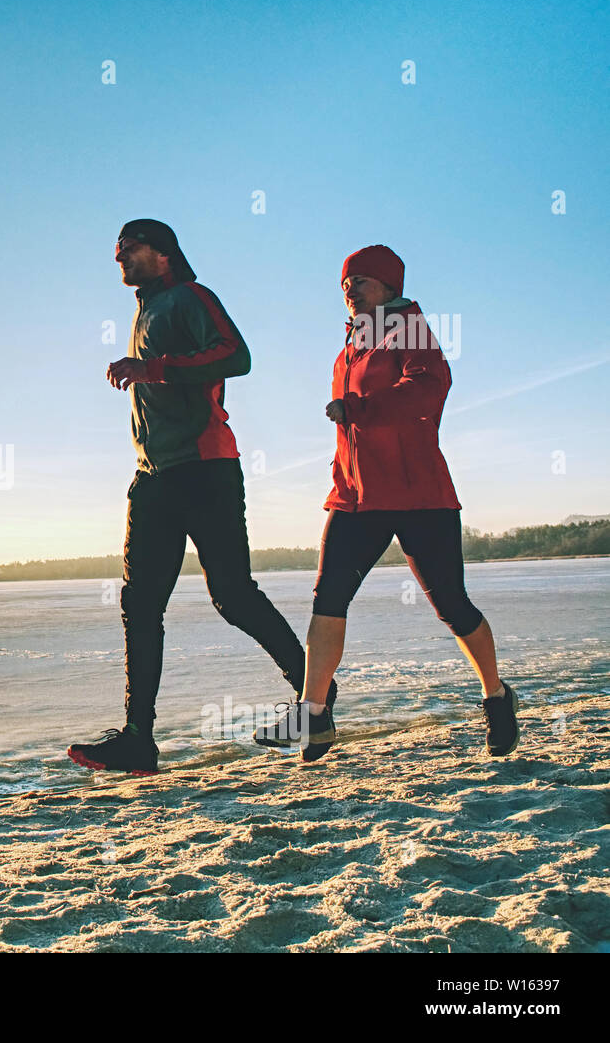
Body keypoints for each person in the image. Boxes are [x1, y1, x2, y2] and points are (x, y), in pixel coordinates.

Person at [68, 219, 335, 774]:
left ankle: (317, 699)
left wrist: (154, 368)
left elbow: (237, 356)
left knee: (232, 596)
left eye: (131, 246)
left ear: (163, 254)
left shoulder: (191, 297)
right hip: (153, 476)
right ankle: (138, 740)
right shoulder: (143, 309)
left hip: (206, 467)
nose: (119, 255)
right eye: (115, 247)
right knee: (139, 603)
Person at [253, 244, 518, 762]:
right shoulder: (348, 348)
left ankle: (496, 695)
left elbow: (429, 388)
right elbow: (348, 431)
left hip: (419, 494)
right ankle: (314, 717)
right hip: (355, 498)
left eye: (363, 282)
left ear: (390, 288)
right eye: (346, 284)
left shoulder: (410, 331)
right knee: (328, 599)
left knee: (452, 606)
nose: (351, 290)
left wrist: (361, 408)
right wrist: (341, 472)